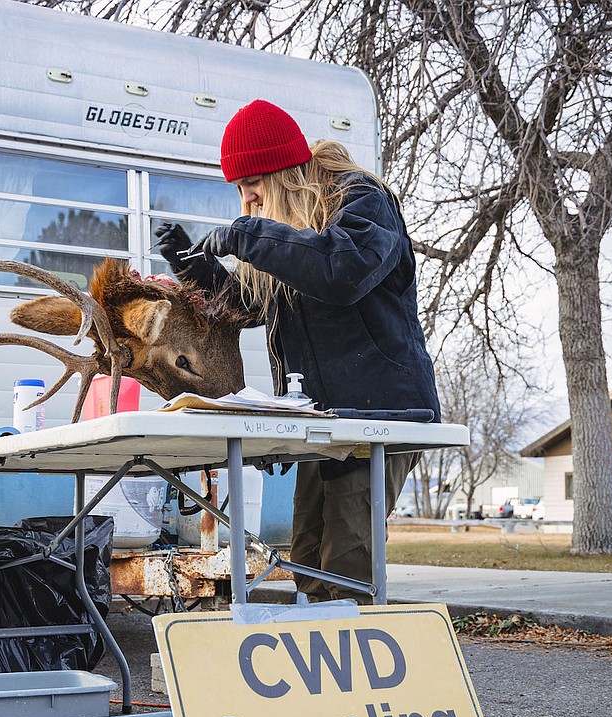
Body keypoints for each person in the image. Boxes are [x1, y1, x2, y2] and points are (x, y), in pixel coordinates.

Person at [155, 99, 439, 604]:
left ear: (283, 172)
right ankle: (320, 643)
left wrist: (249, 237)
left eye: (251, 183)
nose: (246, 199)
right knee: (307, 557)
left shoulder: (363, 201)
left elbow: (341, 271)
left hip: (382, 416)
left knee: (347, 564)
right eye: (238, 189)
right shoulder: (288, 234)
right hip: (324, 421)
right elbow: (248, 305)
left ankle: (354, 646)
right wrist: (193, 267)